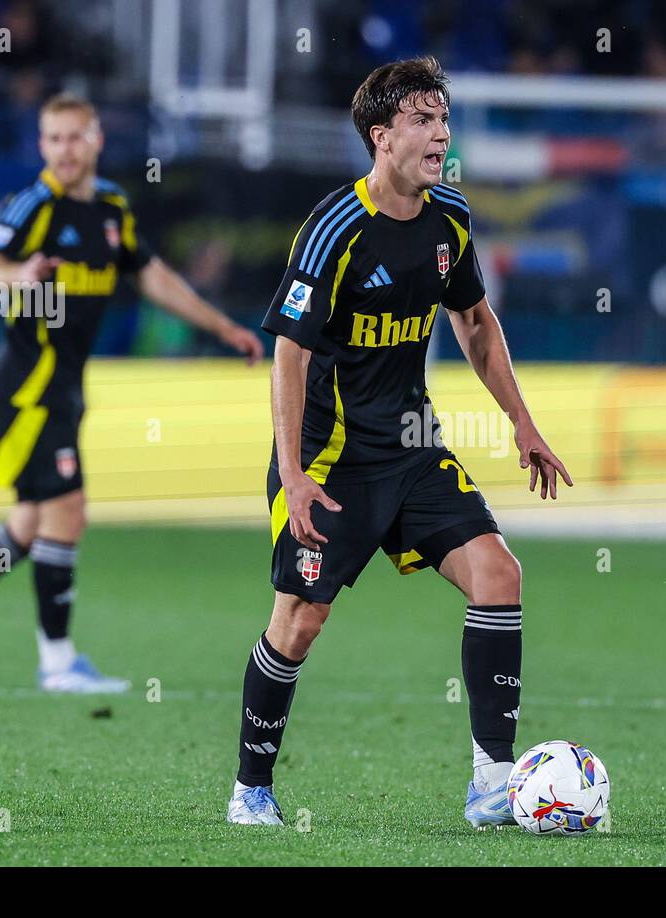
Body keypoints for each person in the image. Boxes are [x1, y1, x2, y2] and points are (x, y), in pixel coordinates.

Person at [225, 56, 571, 828]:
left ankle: (492, 781)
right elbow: (291, 351)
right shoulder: (333, 230)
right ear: (382, 137)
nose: (441, 133)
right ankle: (251, 788)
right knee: (299, 622)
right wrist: (293, 474)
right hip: (329, 463)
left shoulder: (451, 217)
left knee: (498, 574)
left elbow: (476, 323)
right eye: (422, 120)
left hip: (413, 448)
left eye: (444, 118)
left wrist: (523, 420)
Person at [0, 92, 264, 693]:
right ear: (42, 146)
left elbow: (152, 275)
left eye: (74, 137)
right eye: (53, 138)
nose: (64, 149)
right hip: (28, 385)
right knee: (68, 510)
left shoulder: (112, 208)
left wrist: (221, 326)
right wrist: (19, 275)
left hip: (64, 387)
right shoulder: (35, 206)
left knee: (30, 525)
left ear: (95, 141)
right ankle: (56, 662)